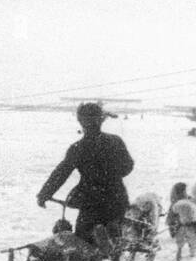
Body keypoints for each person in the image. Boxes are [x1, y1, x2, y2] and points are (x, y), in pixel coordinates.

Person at [36, 102, 135, 247]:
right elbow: (128, 166)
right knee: (115, 237)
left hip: (90, 200)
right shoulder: (116, 141)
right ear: (101, 120)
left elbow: (61, 173)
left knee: (83, 240)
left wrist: (45, 193)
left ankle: (94, 254)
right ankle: (112, 253)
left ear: (81, 122)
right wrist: (111, 175)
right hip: (116, 197)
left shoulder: (77, 148)